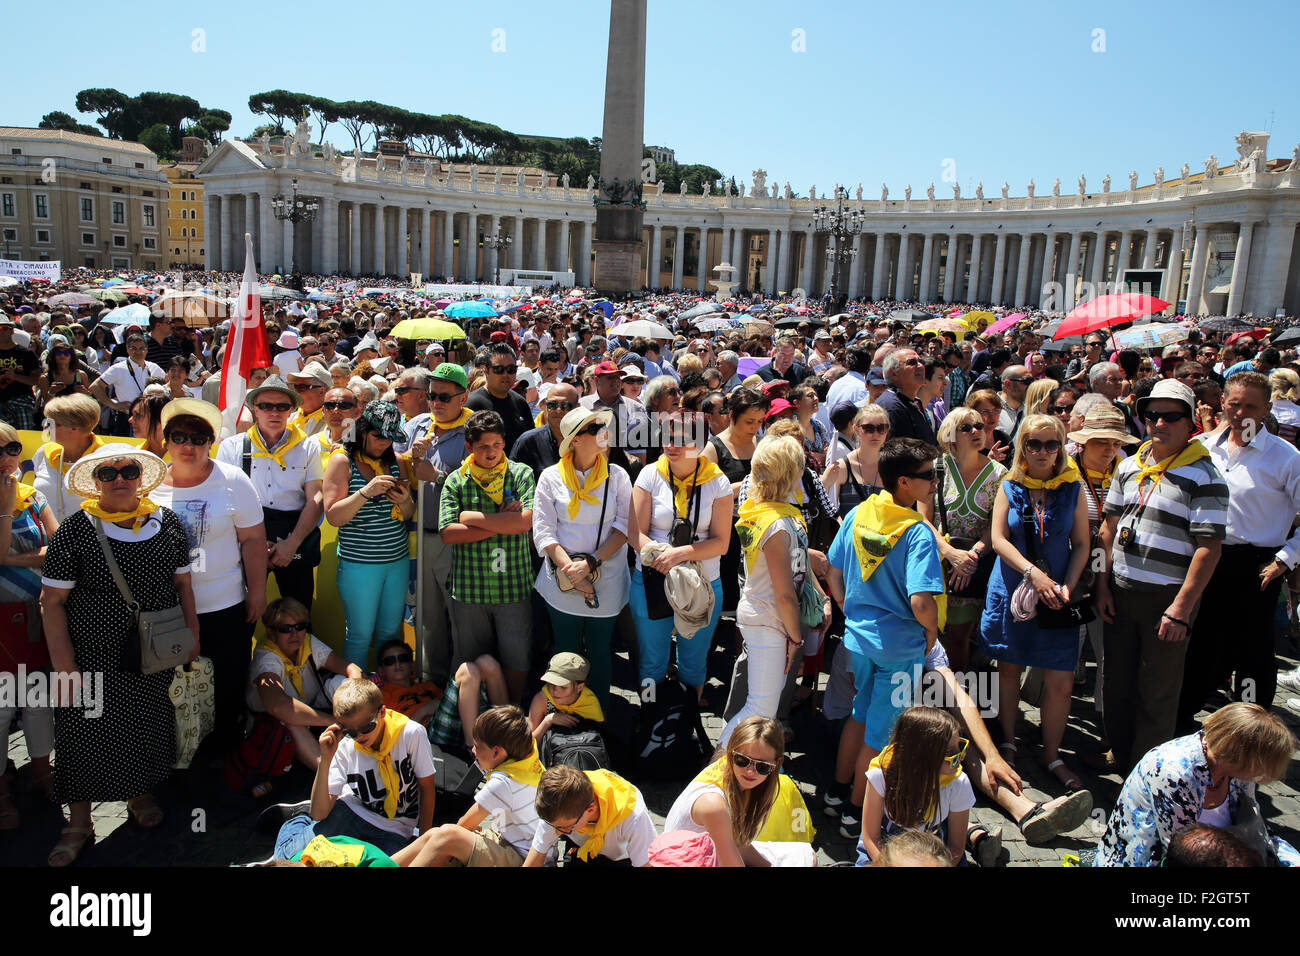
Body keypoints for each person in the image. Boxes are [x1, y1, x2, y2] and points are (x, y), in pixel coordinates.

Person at [39, 444, 198, 867]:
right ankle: (79, 820)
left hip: (152, 652)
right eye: (108, 474)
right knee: (81, 733)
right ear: (94, 482)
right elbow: (51, 603)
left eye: (128, 470)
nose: (120, 479)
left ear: (141, 475)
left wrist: (191, 637)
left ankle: (138, 793)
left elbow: (183, 587)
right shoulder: (75, 531)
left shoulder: (168, 525)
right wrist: (64, 666)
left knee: (145, 723)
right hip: (89, 655)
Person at [1094, 379, 1227, 775]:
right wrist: (1101, 584)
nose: (1159, 424)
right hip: (1120, 590)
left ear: (1190, 423)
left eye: (1171, 416)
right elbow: (1107, 530)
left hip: (1167, 596)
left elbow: (1209, 548)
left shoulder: (1205, 475)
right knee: (1117, 680)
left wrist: (1181, 609)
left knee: (1158, 691)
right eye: (1151, 415)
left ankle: (1148, 770)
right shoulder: (1131, 464)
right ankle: (1120, 752)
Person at [824, 437, 946, 817]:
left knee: (859, 716)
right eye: (930, 475)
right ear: (904, 482)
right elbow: (922, 602)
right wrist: (932, 631)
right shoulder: (918, 532)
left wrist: (848, 608)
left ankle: (836, 792)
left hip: (859, 642)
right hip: (900, 648)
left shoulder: (860, 513)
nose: (936, 482)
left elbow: (832, 569)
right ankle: (856, 812)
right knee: (882, 736)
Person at [1178, 372, 1300, 734]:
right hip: (1206, 559)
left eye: (1250, 405)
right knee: (1199, 644)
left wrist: (1285, 559)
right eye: (1234, 403)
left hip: (1256, 566)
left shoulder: (1285, 458)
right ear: (1222, 403)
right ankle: (1183, 723)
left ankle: (1247, 733)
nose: (1240, 412)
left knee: (1253, 653)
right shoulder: (1202, 446)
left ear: (1266, 409)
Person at [979, 414, 1092, 794]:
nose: (1043, 452)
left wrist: (1067, 586)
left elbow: (1083, 545)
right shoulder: (1009, 485)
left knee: (1060, 679)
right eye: (1034, 444)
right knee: (1009, 668)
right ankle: (1009, 741)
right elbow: (998, 539)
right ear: (1023, 447)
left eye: (1051, 444)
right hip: (1015, 589)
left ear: (1061, 448)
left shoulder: (1072, 487)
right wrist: (1034, 575)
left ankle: (1052, 753)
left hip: (1057, 596)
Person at [150, 398, 267, 759]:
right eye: (180, 436)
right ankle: (171, 759)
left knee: (226, 686)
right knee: (164, 689)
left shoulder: (233, 480)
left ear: (211, 441)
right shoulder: (147, 482)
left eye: (199, 437)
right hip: (164, 610)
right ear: (165, 440)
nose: (189, 445)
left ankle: (222, 759)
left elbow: (252, 540)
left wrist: (257, 592)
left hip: (224, 605)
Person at [1096, 703, 1297, 866]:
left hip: (1224, 854)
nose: (1262, 775)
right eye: (1261, 768)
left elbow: (1254, 827)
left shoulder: (1235, 769)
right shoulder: (1173, 773)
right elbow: (1184, 855)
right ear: (1240, 756)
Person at [629, 411, 733, 704]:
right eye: (667, 437)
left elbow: (721, 543)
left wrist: (680, 554)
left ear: (700, 444)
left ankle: (688, 724)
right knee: (652, 661)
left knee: (693, 661)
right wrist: (663, 555)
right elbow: (635, 534)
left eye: (681, 439)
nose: (671, 445)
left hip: (702, 583)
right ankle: (650, 716)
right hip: (652, 580)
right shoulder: (650, 474)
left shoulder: (718, 482)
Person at [531, 408, 632, 710]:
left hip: (608, 578)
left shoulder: (618, 476)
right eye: (595, 427)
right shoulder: (551, 477)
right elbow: (544, 531)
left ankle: (596, 715)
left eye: (603, 425)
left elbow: (625, 526)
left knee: (600, 651)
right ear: (574, 440)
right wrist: (573, 572)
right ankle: (562, 714)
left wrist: (591, 564)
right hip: (562, 582)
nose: (604, 431)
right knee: (566, 650)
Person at [438, 410, 536, 701]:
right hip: (470, 589)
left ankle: (512, 712)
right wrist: (501, 524)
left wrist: (471, 518)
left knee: (517, 657)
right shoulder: (456, 481)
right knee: (468, 660)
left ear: (504, 443)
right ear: (469, 447)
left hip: (514, 586)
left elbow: (524, 523)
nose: (491, 452)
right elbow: (448, 533)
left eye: (496, 444)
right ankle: (474, 716)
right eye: (483, 446)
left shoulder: (521, 473)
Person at [216, 375, 324, 611]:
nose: (274, 412)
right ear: (255, 409)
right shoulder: (231, 447)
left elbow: (315, 498)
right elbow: (223, 501)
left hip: (294, 536)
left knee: (299, 614)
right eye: (266, 406)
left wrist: (291, 544)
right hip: (246, 539)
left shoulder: (308, 446)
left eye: (281, 406)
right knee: (243, 616)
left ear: (291, 410)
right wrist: (252, 544)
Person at [294, 678, 436, 858]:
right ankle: (295, 824)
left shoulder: (410, 733)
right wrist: (326, 760)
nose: (360, 736)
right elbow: (318, 813)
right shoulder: (344, 745)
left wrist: (423, 841)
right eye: (350, 732)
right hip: (350, 811)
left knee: (387, 863)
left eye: (367, 727)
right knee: (299, 857)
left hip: (395, 827)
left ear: (382, 712)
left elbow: (427, 788)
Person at [321, 400, 415, 668]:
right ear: (362, 431)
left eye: (390, 438)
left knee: (389, 634)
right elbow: (333, 516)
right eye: (377, 436)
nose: (384, 443)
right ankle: (356, 700)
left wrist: (404, 500)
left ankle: (388, 695)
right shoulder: (342, 461)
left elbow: (407, 514)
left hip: (396, 561)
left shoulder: (396, 462)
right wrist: (365, 492)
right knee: (360, 636)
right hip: (359, 564)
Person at [398, 705, 547, 867]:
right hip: (512, 843)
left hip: (523, 858)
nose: (473, 750)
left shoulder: (503, 782)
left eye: (478, 746)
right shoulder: (527, 758)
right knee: (435, 833)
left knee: (447, 835)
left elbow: (464, 824)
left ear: (497, 752)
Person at [0, 422, 57, 829]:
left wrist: (12, 559)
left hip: (35, 617)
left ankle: (42, 774)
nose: (5, 457)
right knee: (1, 709)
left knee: (37, 703)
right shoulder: (14, 500)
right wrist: (4, 507)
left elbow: (58, 548)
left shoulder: (33, 496)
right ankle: (3, 791)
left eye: (11, 449)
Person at [664, 716, 816, 867]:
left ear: (776, 764)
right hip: (692, 860)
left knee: (807, 856)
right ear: (731, 753)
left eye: (762, 767)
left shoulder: (730, 774)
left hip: (711, 853)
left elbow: (738, 844)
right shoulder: (713, 804)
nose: (750, 771)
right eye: (742, 760)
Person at [930, 406, 1007, 670]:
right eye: (967, 427)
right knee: (930, 633)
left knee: (958, 636)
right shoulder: (937, 468)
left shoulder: (999, 474)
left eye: (979, 426)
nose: (977, 431)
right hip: (936, 562)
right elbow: (923, 518)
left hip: (975, 565)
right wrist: (949, 553)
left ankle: (955, 698)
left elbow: (996, 525)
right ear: (951, 434)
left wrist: (971, 556)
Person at [248, 597, 364, 770]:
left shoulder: (307, 642)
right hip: (272, 722)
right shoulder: (267, 658)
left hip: (312, 704)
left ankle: (370, 741)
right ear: (271, 632)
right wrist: (333, 721)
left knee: (344, 684)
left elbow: (351, 669)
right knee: (290, 720)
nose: (295, 634)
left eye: (300, 627)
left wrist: (357, 694)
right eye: (286, 629)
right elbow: (278, 707)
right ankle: (330, 773)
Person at [857, 707, 976, 866]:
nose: (960, 757)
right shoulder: (881, 775)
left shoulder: (958, 783)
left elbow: (955, 847)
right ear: (922, 755)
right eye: (950, 752)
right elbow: (871, 837)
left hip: (936, 857)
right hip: (885, 851)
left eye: (960, 747)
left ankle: (976, 835)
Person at [702, 387, 768, 615]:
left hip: (757, 529)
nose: (755, 427)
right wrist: (739, 488)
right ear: (732, 416)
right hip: (724, 531)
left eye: (759, 421)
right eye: (749, 421)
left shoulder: (761, 445)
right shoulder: (713, 449)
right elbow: (703, 494)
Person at [524, 765, 658, 867]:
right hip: (577, 849)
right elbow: (535, 856)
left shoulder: (634, 817)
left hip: (622, 858)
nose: (557, 831)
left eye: (565, 828)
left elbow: (646, 863)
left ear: (590, 810)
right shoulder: (556, 809)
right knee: (561, 859)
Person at [30, 394, 107, 522]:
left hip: (90, 539)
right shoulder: (43, 453)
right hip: (48, 540)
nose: (45, 427)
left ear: (74, 427)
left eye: (51, 423)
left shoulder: (105, 458)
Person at [88, 333, 163, 436]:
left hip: (151, 419)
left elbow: (167, 384)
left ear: (146, 350)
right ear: (127, 349)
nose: (138, 352)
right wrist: (113, 404)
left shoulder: (154, 367)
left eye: (141, 348)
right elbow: (95, 387)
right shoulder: (118, 368)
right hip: (127, 420)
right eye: (134, 348)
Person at [466, 343, 534, 453]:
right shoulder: (472, 404)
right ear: (486, 371)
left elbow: (531, 443)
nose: (505, 374)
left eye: (511, 369)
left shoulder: (521, 403)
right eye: (499, 369)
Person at [821, 404, 888, 513]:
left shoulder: (892, 467)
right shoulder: (842, 467)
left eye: (881, 428)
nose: (875, 434)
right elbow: (832, 512)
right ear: (856, 429)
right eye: (869, 428)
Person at [528, 651, 606, 744]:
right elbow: (528, 744)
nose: (554, 690)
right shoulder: (542, 699)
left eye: (563, 687)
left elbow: (599, 742)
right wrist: (548, 721)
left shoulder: (590, 703)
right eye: (550, 684)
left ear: (579, 687)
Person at [511, 382, 579, 480]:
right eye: (552, 405)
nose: (558, 410)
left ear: (577, 407)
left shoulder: (587, 440)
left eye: (565, 406)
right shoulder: (528, 442)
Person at [877, 349, 937, 444]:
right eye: (912, 362)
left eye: (921, 361)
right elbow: (901, 452)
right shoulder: (891, 406)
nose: (921, 366)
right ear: (894, 374)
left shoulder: (914, 401)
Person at [0, 314, 40, 429]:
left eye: (5, 328)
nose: (1, 332)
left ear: (12, 331)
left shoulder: (26, 354)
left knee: (25, 435)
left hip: (22, 401)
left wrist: (15, 376)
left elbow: (36, 379)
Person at [286, 364, 331, 437]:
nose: (296, 392)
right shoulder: (290, 417)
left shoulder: (332, 424)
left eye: (301, 387)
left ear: (321, 391)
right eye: (295, 387)